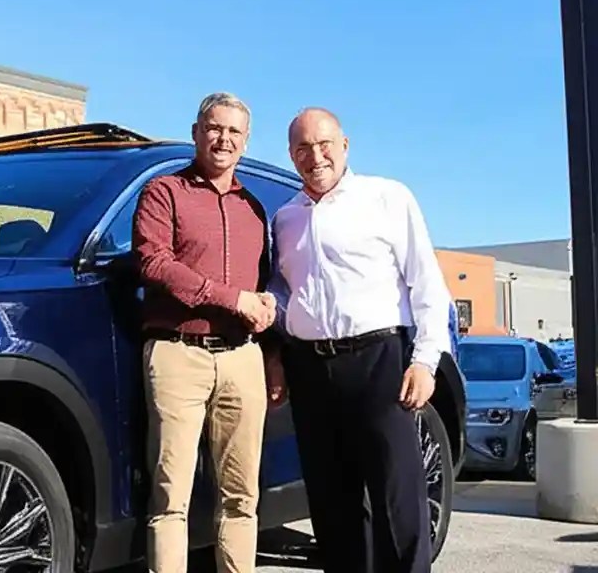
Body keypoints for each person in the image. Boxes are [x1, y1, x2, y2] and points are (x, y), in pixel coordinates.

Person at [268, 107, 452, 573]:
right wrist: (280, 337)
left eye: (324, 144)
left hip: (378, 362)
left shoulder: (386, 198)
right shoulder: (285, 219)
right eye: (303, 149)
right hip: (310, 369)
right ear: (291, 156)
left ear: (345, 145)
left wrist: (426, 360)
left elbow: (426, 283)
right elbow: (284, 292)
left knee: (397, 497)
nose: (316, 156)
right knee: (332, 504)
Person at [132, 91, 282, 573]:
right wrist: (231, 298)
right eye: (214, 128)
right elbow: (153, 263)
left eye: (234, 132)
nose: (223, 139)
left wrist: (272, 349)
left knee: (242, 496)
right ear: (197, 132)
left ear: (246, 141)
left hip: (243, 359)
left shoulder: (255, 211)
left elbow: (265, 286)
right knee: (170, 493)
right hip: (178, 354)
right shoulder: (164, 192)